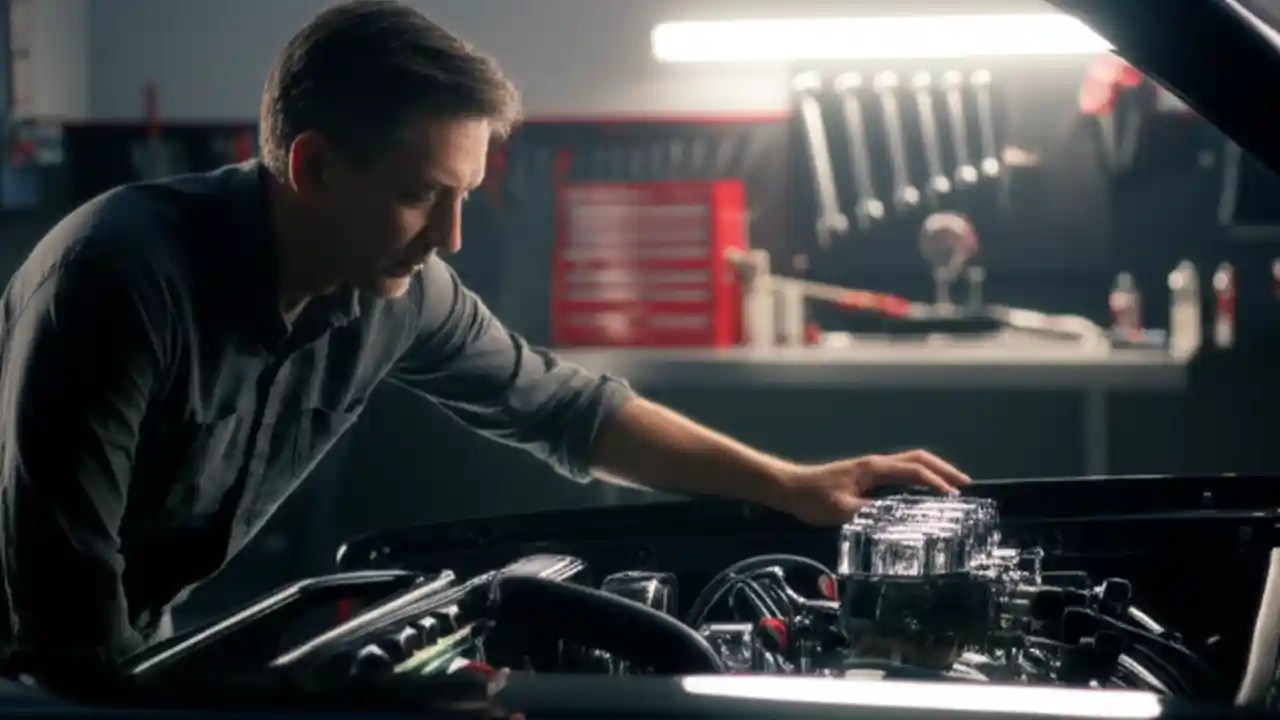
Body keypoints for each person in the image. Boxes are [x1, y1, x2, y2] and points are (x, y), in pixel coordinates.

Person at [0, 0, 969, 685]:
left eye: (466, 196)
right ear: (312, 165)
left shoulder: (399, 288)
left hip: (131, 638)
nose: (450, 239)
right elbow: (65, 615)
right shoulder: (118, 277)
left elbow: (566, 410)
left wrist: (790, 483)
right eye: (423, 195)